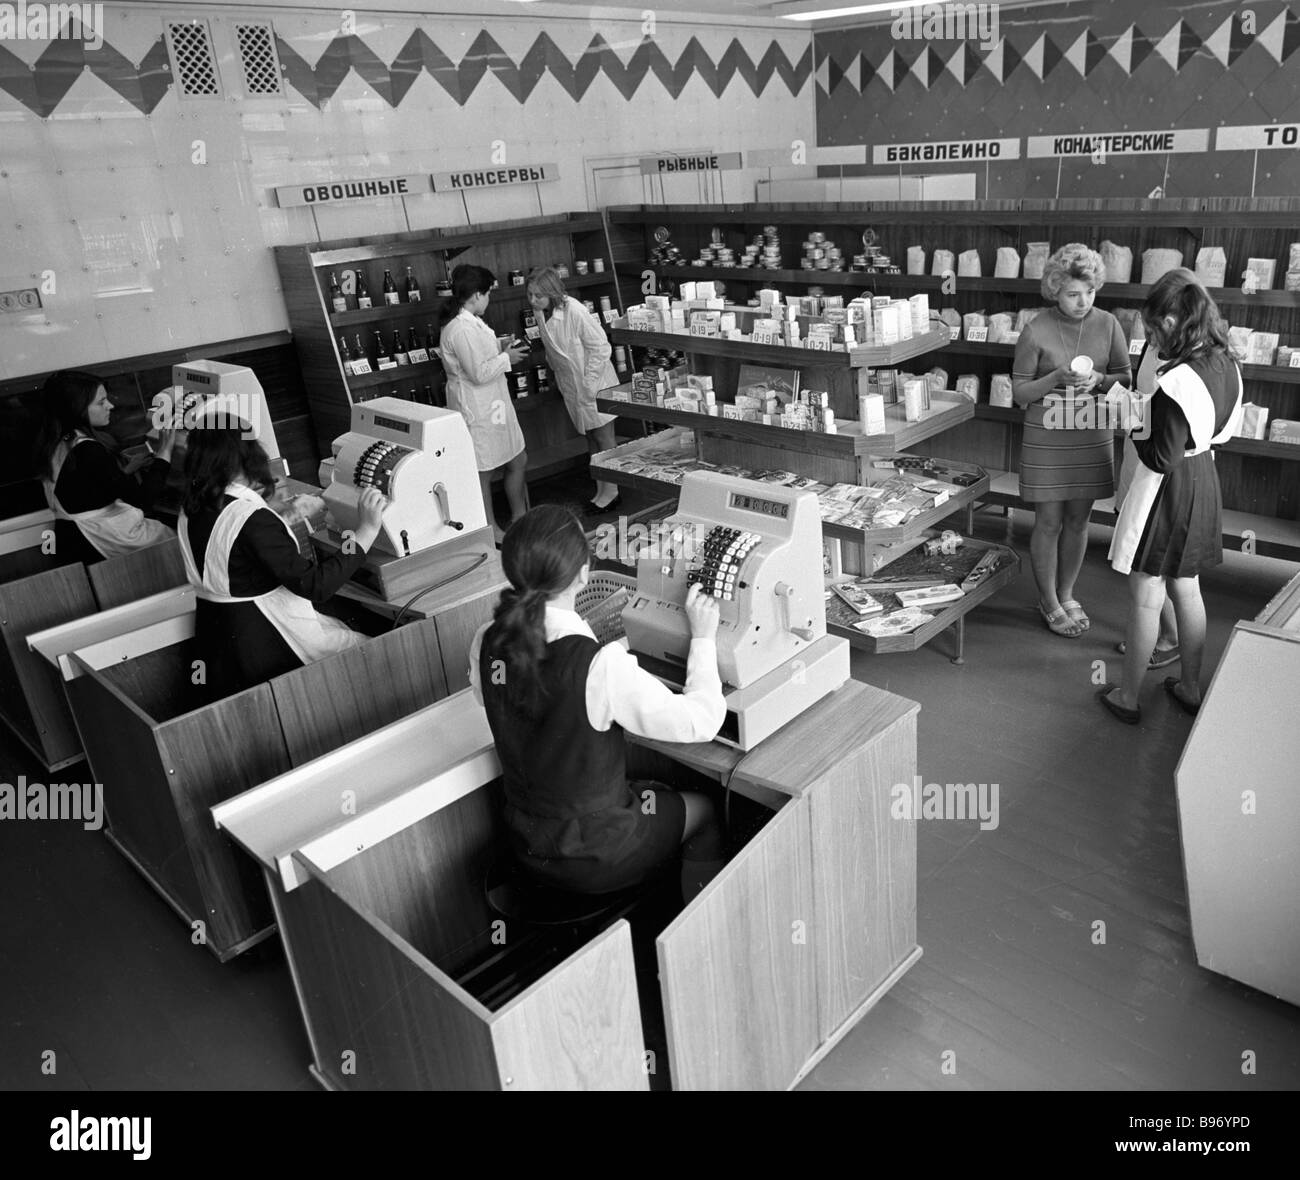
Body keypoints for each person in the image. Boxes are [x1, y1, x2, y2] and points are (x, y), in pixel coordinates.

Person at [469, 505, 726, 902]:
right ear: (585, 574)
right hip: (595, 853)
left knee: (653, 791)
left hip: (529, 840)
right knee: (705, 809)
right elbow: (702, 721)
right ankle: (691, 937)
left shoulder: (487, 638)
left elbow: (497, 698)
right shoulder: (599, 667)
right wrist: (704, 638)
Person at [1098, 269, 1243, 724]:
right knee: (1188, 588)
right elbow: (1218, 433)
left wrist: (1127, 411)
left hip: (1168, 489)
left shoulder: (1177, 379)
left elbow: (1160, 456)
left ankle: (1127, 696)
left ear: (1179, 320)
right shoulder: (1225, 363)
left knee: (1145, 594)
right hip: (1203, 477)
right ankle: (1190, 686)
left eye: (1157, 326)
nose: (1153, 336)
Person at [179, 415, 385, 697]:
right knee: (369, 646)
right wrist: (365, 531)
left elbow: (237, 546)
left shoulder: (192, 508)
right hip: (267, 639)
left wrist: (288, 514)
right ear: (246, 456)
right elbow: (316, 585)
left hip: (218, 638)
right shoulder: (251, 519)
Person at [1013, 244, 1132, 637]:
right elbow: (1020, 393)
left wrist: (1099, 380)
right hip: (1047, 435)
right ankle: (1047, 599)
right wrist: (1055, 379)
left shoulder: (1108, 324)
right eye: (1073, 294)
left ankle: (1067, 592)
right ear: (1054, 289)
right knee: (1048, 521)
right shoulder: (1035, 329)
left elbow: (1124, 377)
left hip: (1090, 431)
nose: (1083, 302)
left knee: (1079, 521)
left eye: (1090, 292)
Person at [34, 369, 176, 564]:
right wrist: (165, 453)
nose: (110, 405)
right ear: (78, 408)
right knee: (171, 538)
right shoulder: (88, 450)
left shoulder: (58, 441)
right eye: (101, 402)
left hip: (70, 537)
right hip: (95, 538)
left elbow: (83, 488)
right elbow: (143, 500)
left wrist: (125, 471)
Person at [438, 264, 530, 541]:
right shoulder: (460, 329)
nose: (488, 299)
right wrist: (506, 359)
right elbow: (477, 373)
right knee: (483, 470)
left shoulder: (472, 322)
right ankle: (490, 528)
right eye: (488, 293)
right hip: (476, 407)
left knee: (516, 456)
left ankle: (519, 517)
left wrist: (501, 350)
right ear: (477, 295)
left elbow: (480, 360)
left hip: (495, 404)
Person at [526, 267, 621, 514]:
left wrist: (589, 384)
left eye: (538, 295)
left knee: (603, 437)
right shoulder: (542, 313)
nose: (533, 301)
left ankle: (612, 492)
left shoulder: (575, 310)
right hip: (573, 386)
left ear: (552, 292)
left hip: (595, 382)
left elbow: (601, 348)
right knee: (590, 436)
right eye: (530, 295)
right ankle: (601, 487)